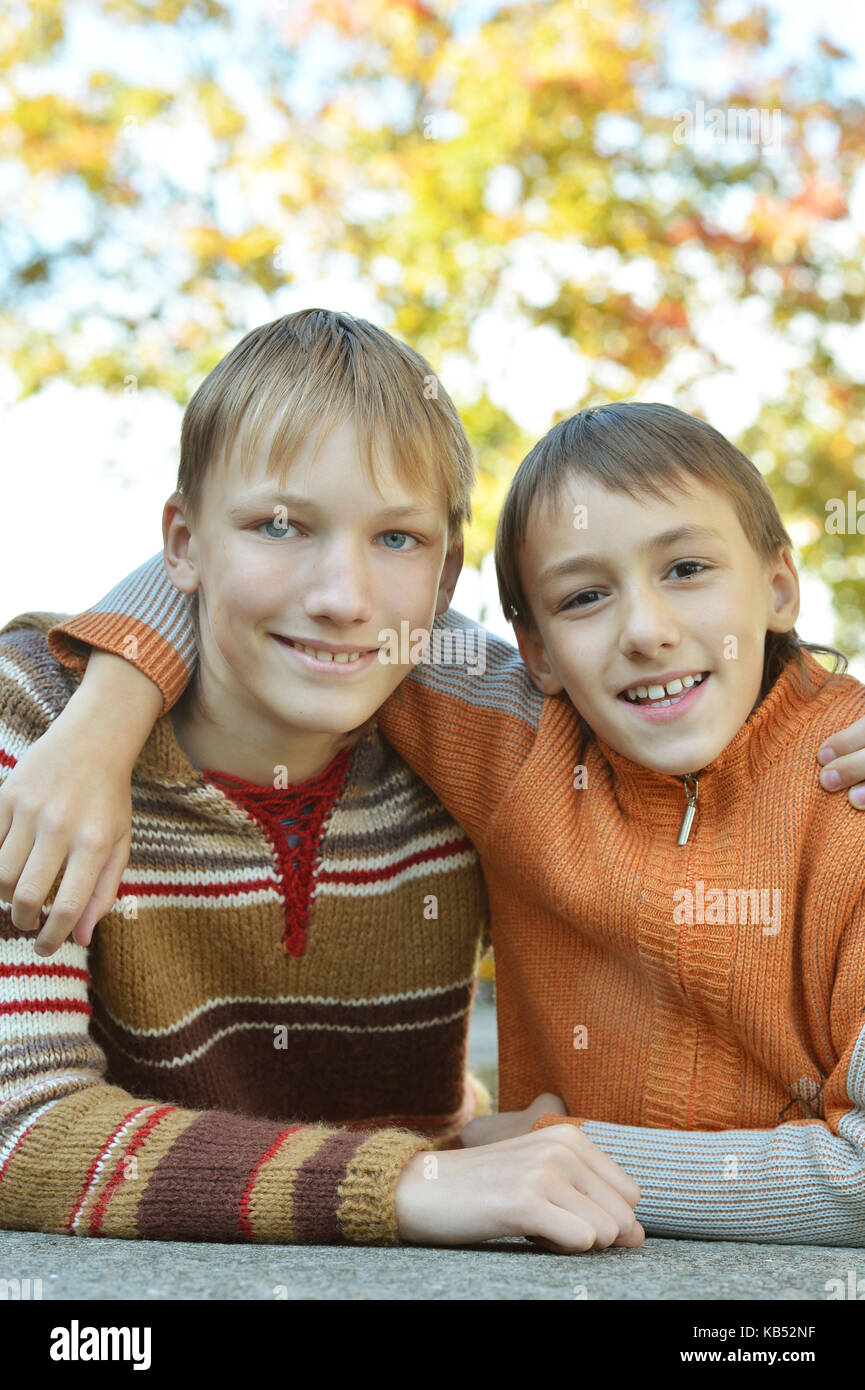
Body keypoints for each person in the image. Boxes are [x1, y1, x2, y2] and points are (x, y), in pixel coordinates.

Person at [12, 399, 865, 1245]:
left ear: (779, 586)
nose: (646, 630)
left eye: (686, 569)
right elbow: (239, 584)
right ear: (535, 651)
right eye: (583, 596)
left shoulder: (850, 798)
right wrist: (102, 724)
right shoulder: (516, 735)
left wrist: (561, 1156)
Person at [0, 310, 647, 1252]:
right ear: (180, 543)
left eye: (396, 540)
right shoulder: (39, 723)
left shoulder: (470, 724)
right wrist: (410, 1181)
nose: (342, 598)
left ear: (444, 576)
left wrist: (824, 732)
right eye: (279, 526)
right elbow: (18, 1131)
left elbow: (694, 710)